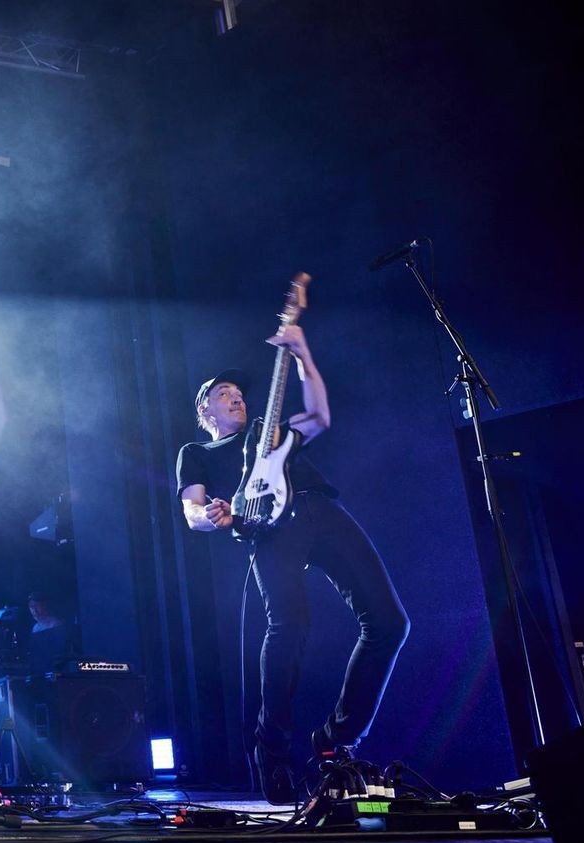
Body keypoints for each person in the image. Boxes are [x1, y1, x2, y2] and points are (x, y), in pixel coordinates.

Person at [175, 312, 409, 805]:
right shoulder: (196, 451)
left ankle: (336, 737)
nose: (235, 395)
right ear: (205, 409)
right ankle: (272, 748)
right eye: (223, 393)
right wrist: (211, 517)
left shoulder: (269, 432)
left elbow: (320, 417)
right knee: (290, 627)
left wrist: (302, 354)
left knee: (389, 622)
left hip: (319, 510)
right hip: (265, 528)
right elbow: (191, 509)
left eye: (238, 391)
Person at [24, 591, 76, 676]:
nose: (34, 610)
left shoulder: (55, 624)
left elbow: (60, 653)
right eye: (31, 607)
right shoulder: (35, 628)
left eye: (36, 606)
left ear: (44, 606)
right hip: (39, 671)